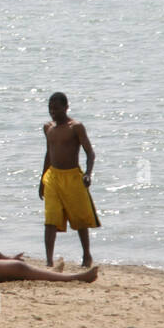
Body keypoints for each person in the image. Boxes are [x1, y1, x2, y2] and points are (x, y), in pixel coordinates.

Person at [40, 92, 99, 268]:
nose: (53, 112)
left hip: (73, 177)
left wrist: (88, 173)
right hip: (52, 177)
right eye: (50, 108)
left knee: (80, 218)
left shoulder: (76, 127)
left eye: (56, 108)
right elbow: (48, 154)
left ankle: (86, 256)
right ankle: (49, 261)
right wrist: (41, 180)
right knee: (50, 218)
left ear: (66, 107)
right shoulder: (48, 128)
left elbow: (90, 152)